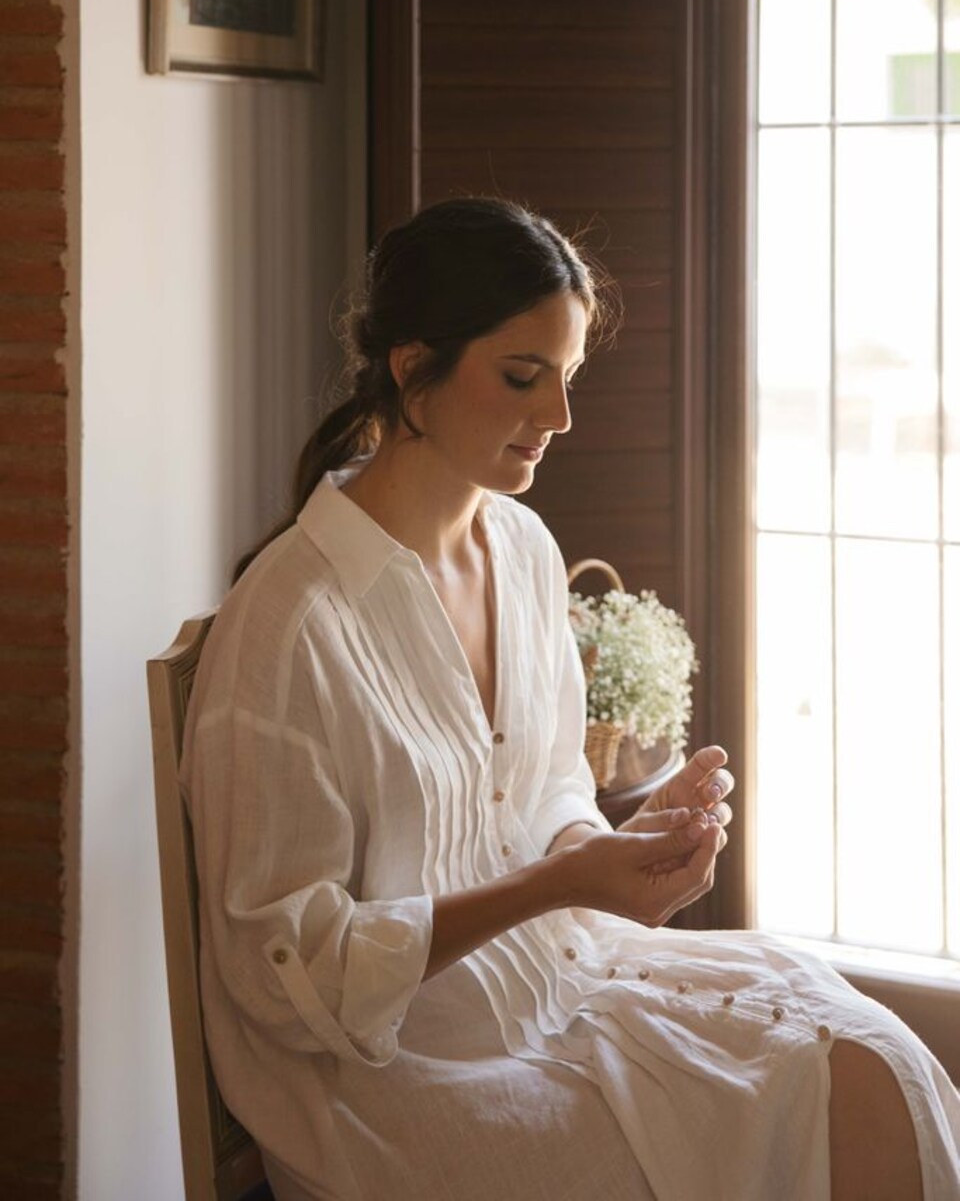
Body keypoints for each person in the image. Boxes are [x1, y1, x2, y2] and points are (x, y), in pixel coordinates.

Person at [181, 197, 960, 1201]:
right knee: (815, 1101)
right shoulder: (291, 627)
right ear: (414, 364)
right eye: (522, 376)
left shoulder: (520, 547)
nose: (559, 417)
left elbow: (546, 790)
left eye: (568, 377)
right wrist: (558, 885)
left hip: (554, 980)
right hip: (393, 1084)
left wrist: (611, 853)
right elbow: (290, 974)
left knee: (875, 1062)